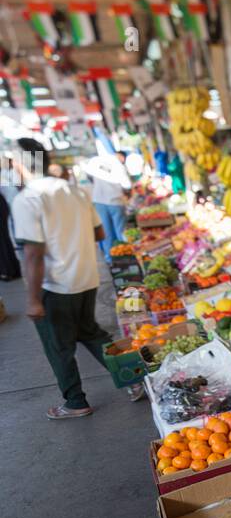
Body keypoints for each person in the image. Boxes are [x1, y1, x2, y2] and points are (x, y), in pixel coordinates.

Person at [12, 153, 142, 418]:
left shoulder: (28, 199)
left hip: (55, 284)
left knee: (58, 345)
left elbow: (34, 253)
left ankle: (75, 401)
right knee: (91, 333)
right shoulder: (76, 191)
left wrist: (33, 299)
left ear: (21, 165)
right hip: (86, 276)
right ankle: (134, 380)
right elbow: (100, 233)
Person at [86, 147, 131, 260]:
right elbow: (127, 185)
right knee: (120, 231)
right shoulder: (118, 165)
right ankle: (124, 256)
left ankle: (110, 258)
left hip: (99, 201)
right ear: (121, 157)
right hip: (115, 201)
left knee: (106, 232)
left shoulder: (96, 162)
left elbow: (89, 176)